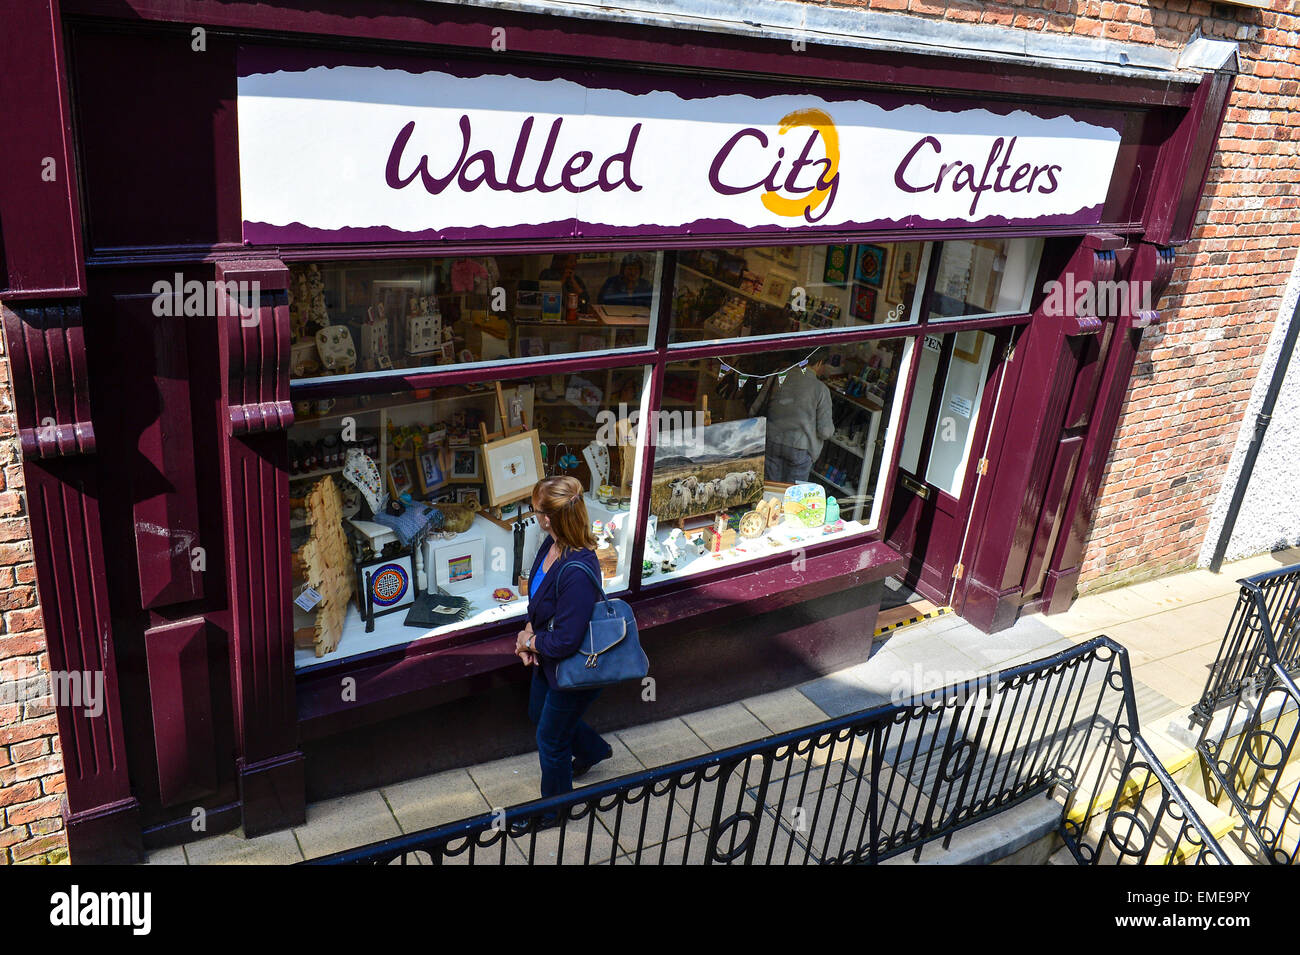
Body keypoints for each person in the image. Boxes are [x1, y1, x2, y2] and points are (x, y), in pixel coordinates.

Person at [515, 475, 614, 797]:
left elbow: (566, 641)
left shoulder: (576, 570)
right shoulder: (552, 545)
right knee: (537, 713)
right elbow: (541, 600)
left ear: (547, 518)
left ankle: (552, 812)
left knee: (551, 740)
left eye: (535, 510)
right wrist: (529, 629)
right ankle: (592, 750)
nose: (534, 515)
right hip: (549, 660)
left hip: (575, 668)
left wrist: (529, 643)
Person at [751, 358, 834, 484]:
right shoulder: (821, 389)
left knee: (771, 488)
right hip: (801, 448)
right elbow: (825, 432)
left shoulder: (778, 375)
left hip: (772, 440)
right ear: (819, 363)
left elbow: (755, 409)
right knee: (793, 492)